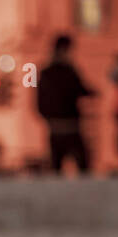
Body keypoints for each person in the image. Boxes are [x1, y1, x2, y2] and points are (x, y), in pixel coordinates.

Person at [36, 33, 96, 173]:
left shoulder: (46, 73)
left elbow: (39, 101)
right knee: (83, 167)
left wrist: (47, 117)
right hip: (70, 126)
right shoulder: (68, 72)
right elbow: (81, 90)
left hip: (55, 127)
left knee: (57, 168)